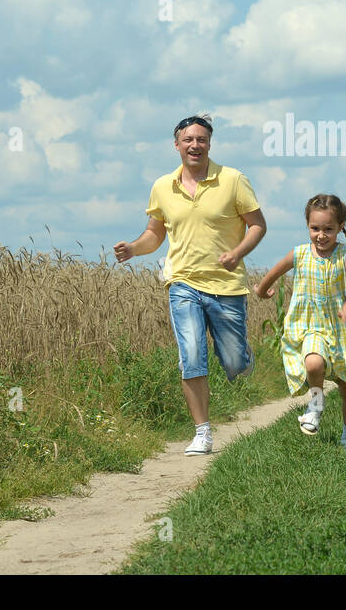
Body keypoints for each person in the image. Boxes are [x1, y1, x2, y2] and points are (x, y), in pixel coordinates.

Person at [114, 115, 267, 455]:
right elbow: (155, 234)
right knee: (192, 354)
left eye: (201, 139)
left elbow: (257, 225)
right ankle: (202, 432)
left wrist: (238, 252)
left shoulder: (233, 180)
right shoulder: (163, 186)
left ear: (210, 144)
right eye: (188, 140)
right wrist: (133, 249)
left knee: (233, 363)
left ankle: (242, 356)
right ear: (177, 145)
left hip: (226, 285)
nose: (195, 145)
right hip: (182, 282)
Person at [254, 194, 346, 448]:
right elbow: (272, 273)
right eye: (315, 228)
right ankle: (316, 406)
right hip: (310, 326)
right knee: (313, 364)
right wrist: (262, 290)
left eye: (328, 229)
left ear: (341, 228)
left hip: (342, 328)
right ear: (307, 226)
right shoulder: (299, 254)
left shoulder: (345, 254)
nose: (321, 235)